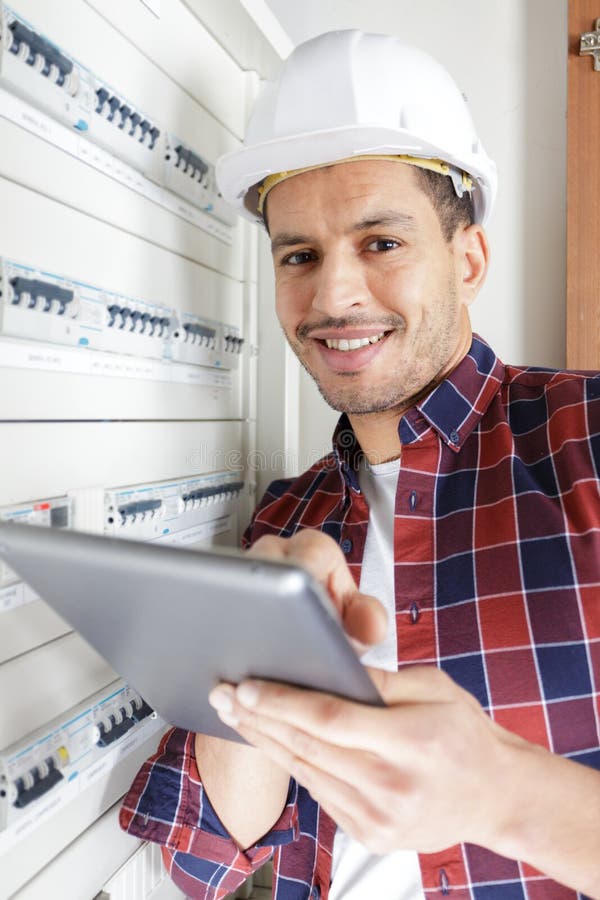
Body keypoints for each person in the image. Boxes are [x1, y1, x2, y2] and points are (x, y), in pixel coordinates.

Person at [120, 30, 600, 900]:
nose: (334, 295)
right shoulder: (285, 524)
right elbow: (205, 861)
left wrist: (506, 796)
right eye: (299, 255)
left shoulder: (589, 438)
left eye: (381, 243)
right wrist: (261, 650)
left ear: (468, 259)